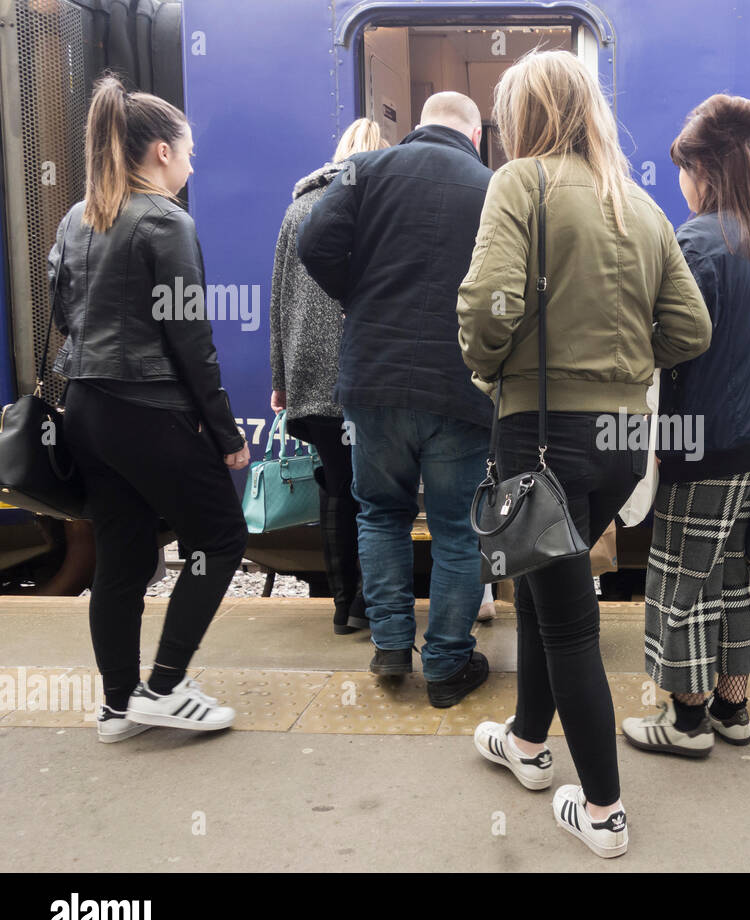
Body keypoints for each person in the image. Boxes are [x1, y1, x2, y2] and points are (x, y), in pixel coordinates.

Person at [459, 50, 711, 858]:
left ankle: (604, 812)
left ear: (524, 116)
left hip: (542, 436)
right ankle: (530, 743)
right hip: (621, 441)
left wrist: (485, 360)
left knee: (568, 620)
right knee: (541, 588)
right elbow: (691, 329)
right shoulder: (634, 202)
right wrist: (626, 363)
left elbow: (488, 302)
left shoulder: (519, 183)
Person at [51, 75, 249, 743]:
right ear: (161, 151)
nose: (192, 164)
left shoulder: (77, 217)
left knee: (123, 558)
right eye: (188, 151)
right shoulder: (165, 221)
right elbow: (191, 338)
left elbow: (62, 317)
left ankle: (115, 707)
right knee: (220, 538)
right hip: (148, 411)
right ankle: (164, 686)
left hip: (85, 409)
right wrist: (225, 433)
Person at [297, 92, 494, 708]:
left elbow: (313, 244)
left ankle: (388, 646)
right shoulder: (492, 185)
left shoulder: (366, 170)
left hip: (374, 379)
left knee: (380, 512)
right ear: (475, 135)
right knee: (456, 526)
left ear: (418, 126)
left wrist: (362, 298)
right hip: (458, 384)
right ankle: (446, 664)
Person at [621, 94, 750, 759]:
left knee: (681, 583)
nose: (681, 184)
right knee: (735, 580)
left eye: (684, 169)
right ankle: (732, 707)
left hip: (703, 439)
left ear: (707, 169)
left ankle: (685, 722)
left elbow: (672, 345)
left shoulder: (697, 240)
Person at [269, 118, 388, 636]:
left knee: (336, 489)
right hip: (364, 374)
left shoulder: (297, 209)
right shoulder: (372, 206)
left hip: (308, 377)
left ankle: (343, 604)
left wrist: (281, 379)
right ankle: (367, 600)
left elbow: (278, 301)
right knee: (377, 494)